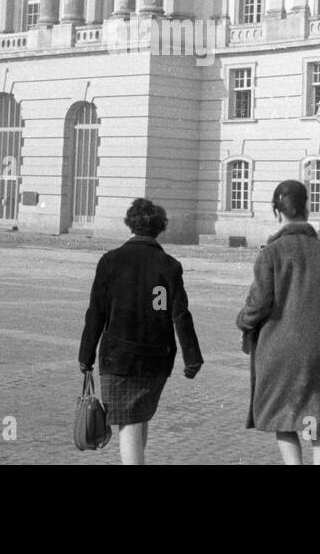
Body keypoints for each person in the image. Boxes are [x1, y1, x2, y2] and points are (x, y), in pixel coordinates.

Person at [236, 179, 320, 465]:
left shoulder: (271, 253)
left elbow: (258, 304)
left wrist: (243, 321)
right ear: (306, 209)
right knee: (316, 427)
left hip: (282, 354)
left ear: (278, 212)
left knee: (285, 420)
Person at [78, 198, 202, 465]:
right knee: (138, 416)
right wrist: (193, 358)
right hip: (157, 358)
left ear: (129, 224)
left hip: (118, 357)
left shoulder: (110, 261)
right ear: (159, 228)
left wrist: (85, 356)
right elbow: (180, 314)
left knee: (130, 421)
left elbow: (96, 312)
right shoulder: (169, 265)